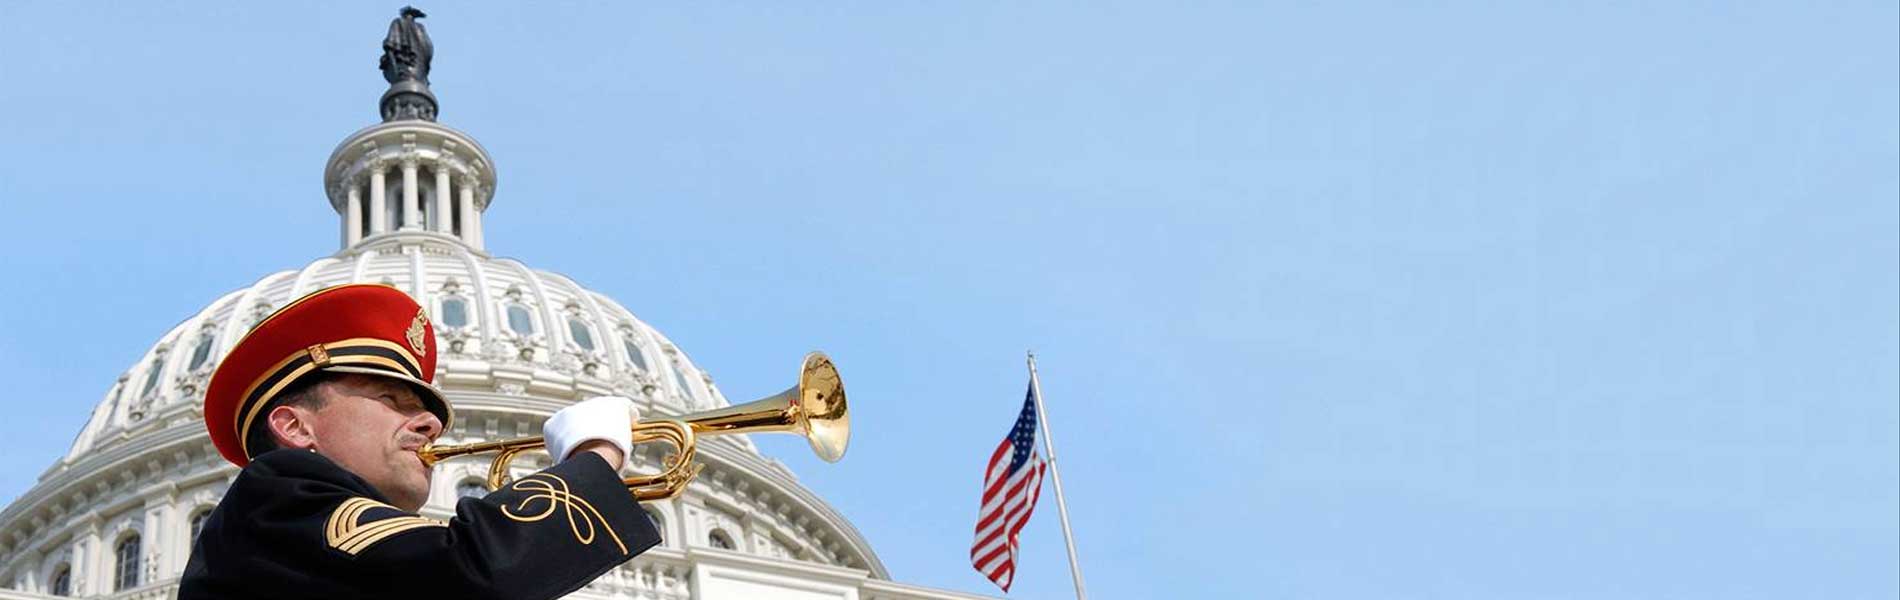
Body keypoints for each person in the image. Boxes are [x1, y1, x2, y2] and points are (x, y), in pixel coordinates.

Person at [178, 284, 659, 600]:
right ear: (296, 427)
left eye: (425, 409)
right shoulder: (281, 494)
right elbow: (473, 573)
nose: (431, 422)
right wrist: (595, 456)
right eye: (390, 398)